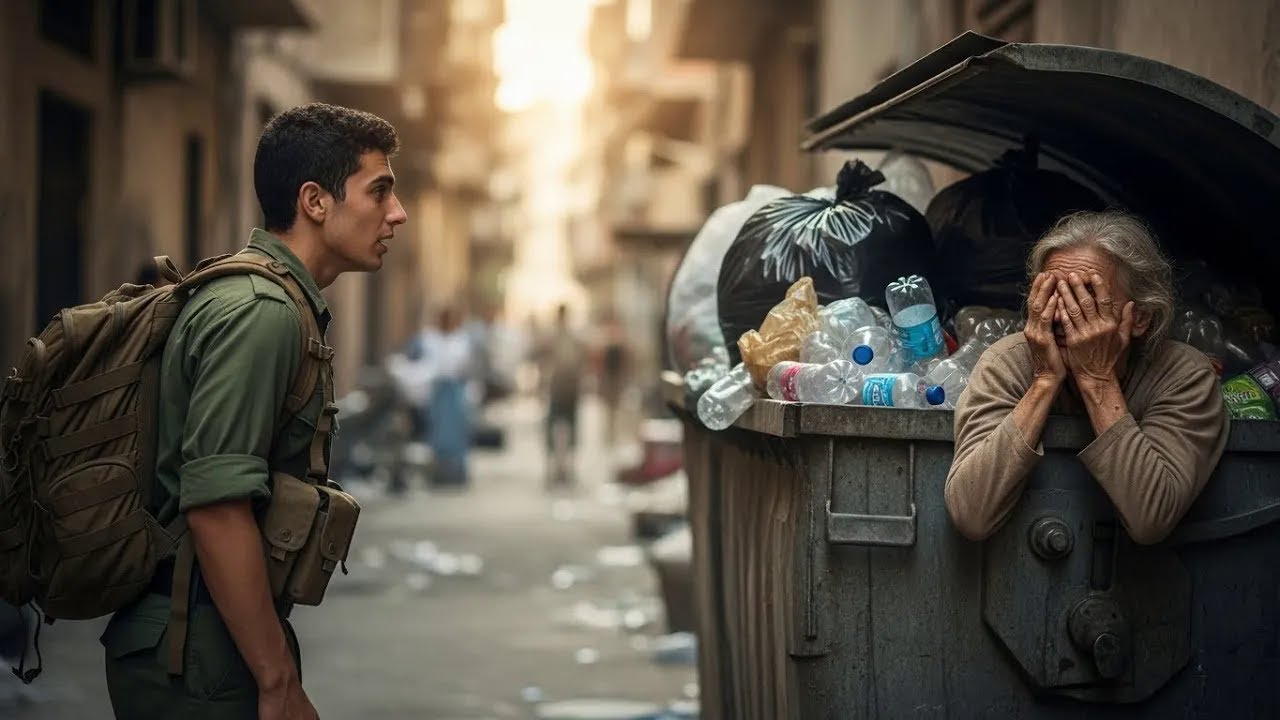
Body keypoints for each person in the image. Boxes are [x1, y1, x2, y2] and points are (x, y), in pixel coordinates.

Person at [100, 103, 407, 719]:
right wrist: (277, 682)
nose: (397, 213)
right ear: (315, 201)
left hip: (208, 634)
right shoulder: (260, 312)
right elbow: (215, 505)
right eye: (380, 191)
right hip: (198, 650)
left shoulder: (274, 299)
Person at [945, 210, 1229, 546]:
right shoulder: (1008, 361)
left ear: (1139, 317)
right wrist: (1045, 380)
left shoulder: (1183, 375)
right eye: (1052, 295)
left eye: (1085, 299)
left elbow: (1150, 519)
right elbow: (971, 515)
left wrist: (1097, 380)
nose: (1063, 316)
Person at [414, 305, 477, 487]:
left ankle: (457, 474)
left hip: (455, 390)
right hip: (438, 390)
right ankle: (438, 475)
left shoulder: (461, 340)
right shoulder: (429, 339)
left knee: (457, 434)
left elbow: (465, 366)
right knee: (438, 432)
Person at [541, 304, 584, 486]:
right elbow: (543, 362)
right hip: (557, 389)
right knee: (553, 427)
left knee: (571, 428)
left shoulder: (574, 338)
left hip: (570, 388)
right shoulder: (551, 338)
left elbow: (580, 363)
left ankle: (568, 468)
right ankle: (554, 468)